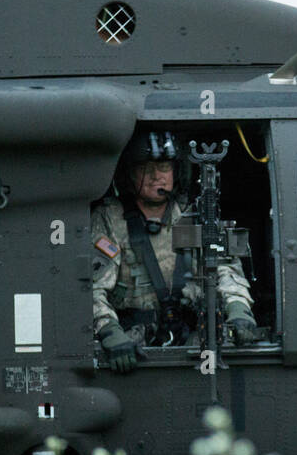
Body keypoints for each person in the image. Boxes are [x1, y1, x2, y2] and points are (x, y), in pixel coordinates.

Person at [92, 134, 256, 373]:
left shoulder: (197, 215)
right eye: (145, 168)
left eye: (164, 167)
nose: (155, 175)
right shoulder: (109, 219)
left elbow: (225, 269)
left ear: (176, 172)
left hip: (193, 340)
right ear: (129, 174)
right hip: (133, 344)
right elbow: (92, 287)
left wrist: (238, 308)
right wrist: (108, 331)